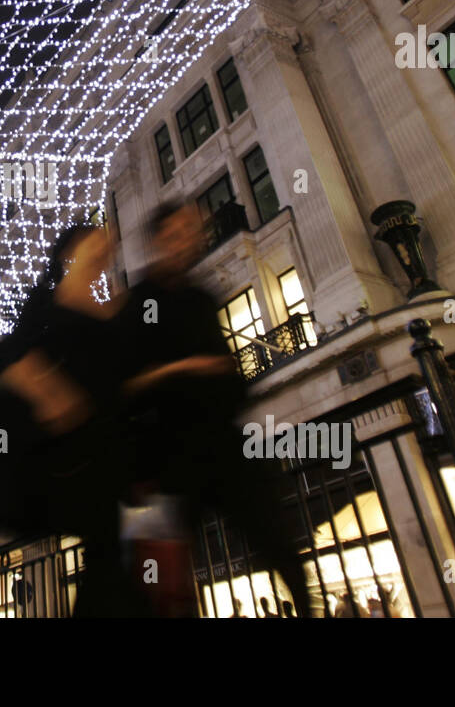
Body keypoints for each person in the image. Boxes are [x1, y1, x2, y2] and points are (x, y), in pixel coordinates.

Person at [117, 200, 313, 618]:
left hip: (219, 445)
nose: (187, 241)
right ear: (157, 241)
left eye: (192, 231)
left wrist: (207, 376)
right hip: (157, 460)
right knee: (150, 578)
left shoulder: (200, 298)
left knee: (277, 539)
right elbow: (126, 387)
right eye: (176, 233)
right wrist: (186, 368)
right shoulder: (136, 307)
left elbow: (227, 377)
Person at [0, 221, 148, 616]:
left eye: (107, 244)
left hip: (110, 455)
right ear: (69, 255)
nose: (104, 249)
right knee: (113, 554)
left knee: (117, 561)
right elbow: (9, 360)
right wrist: (48, 392)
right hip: (71, 457)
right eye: (92, 243)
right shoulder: (47, 305)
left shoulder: (114, 312)